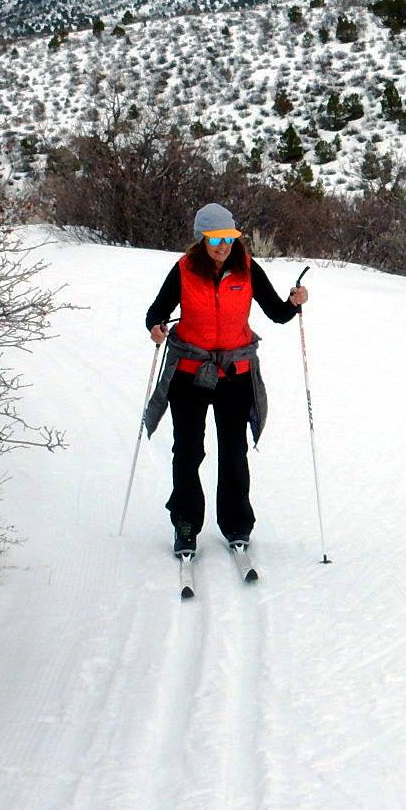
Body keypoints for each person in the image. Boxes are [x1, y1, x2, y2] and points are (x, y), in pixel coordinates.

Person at [142, 203, 308, 557]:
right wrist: (156, 327)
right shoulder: (185, 270)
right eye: (216, 239)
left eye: (229, 238)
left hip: (235, 373)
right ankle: (186, 525)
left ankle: (236, 524)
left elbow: (277, 313)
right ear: (202, 238)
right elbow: (157, 311)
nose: (223, 246)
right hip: (189, 372)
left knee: (234, 451)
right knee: (188, 451)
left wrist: (294, 303)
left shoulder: (247, 268)